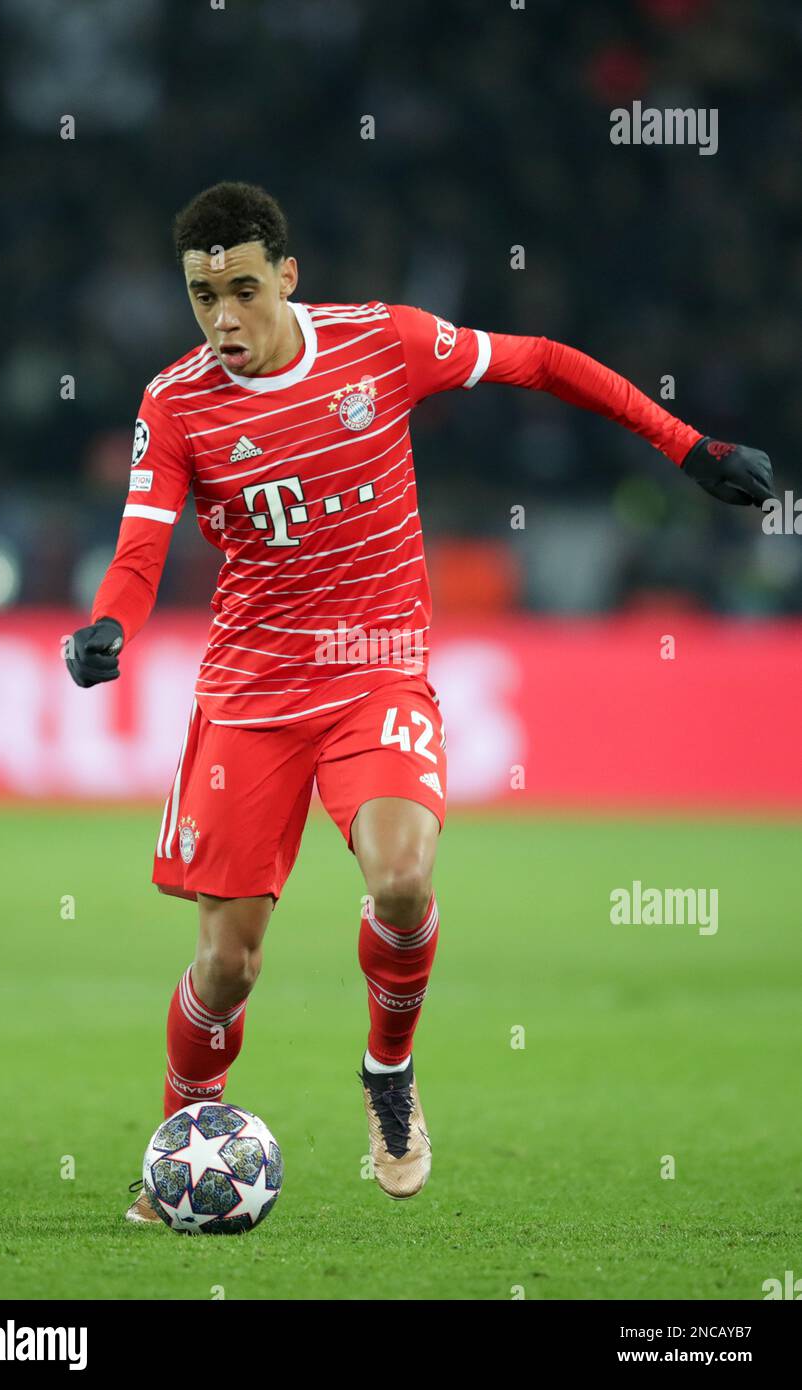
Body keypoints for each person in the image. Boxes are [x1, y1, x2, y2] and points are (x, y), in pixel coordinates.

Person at [65, 180, 775, 1218]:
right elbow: (141, 542)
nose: (224, 318)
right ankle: (183, 1138)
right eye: (202, 296)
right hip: (250, 695)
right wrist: (108, 625)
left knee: (400, 880)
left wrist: (685, 447)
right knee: (225, 963)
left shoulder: (379, 344)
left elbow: (536, 357)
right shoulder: (174, 403)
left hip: (376, 672)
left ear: (287, 277)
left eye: (244, 290)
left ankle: (387, 1076)